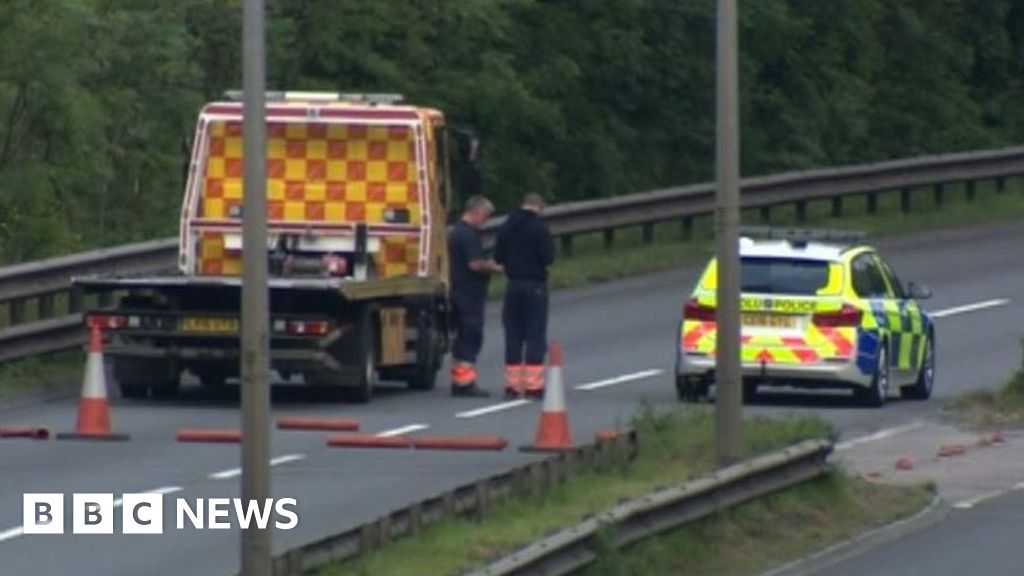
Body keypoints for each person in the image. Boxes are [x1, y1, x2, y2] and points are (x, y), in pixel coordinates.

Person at [495, 193, 555, 398]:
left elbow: (498, 257)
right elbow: (548, 257)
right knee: (534, 333)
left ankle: (512, 385)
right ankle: (533, 385)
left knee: (513, 333)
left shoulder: (507, 226)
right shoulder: (539, 228)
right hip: (534, 285)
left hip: (513, 285)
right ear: (539, 206)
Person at [447, 195, 503, 397]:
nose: (485, 221)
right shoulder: (467, 235)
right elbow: (475, 264)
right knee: (471, 335)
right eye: (485, 216)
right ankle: (465, 383)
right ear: (476, 211)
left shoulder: (455, 232)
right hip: (468, 293)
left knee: (462, 335)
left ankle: (459, 379)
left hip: (457, 289)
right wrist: (496, 268)